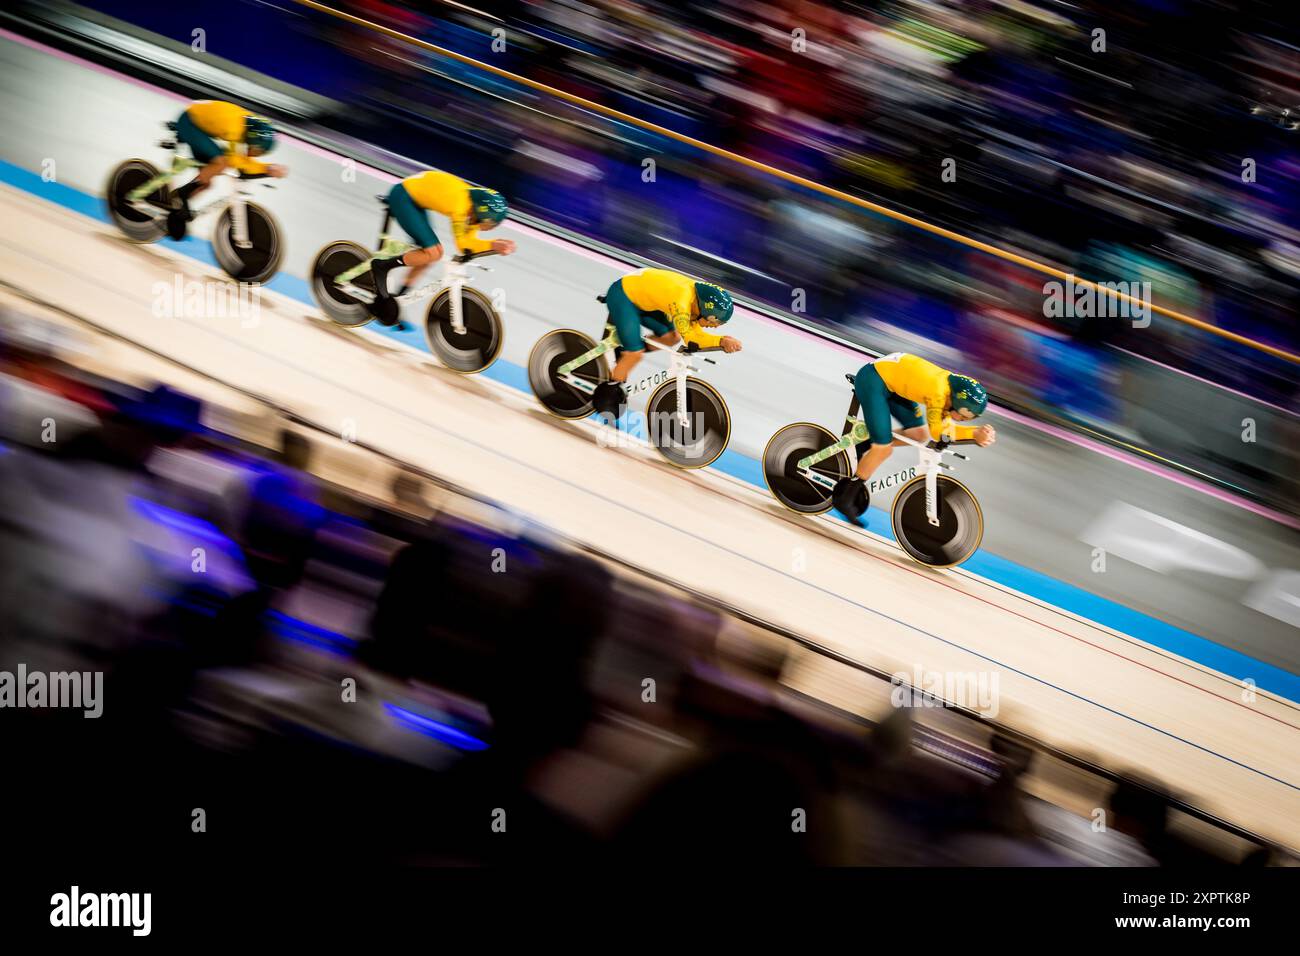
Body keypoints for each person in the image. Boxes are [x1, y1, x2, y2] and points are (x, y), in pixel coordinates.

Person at [833, 352, 996, 524]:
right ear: (958, 402)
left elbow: (941, 427)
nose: (965, 420)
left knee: (919, 434)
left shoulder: (950, 391)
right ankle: (846, 496)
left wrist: (976, 433)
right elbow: (938, 431)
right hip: (873, 380)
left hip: (890, 381)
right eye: (965, 415)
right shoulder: (938, 392)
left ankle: (865, 445)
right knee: (883, 450)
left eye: (971, 419)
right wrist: (974, 433)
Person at [591, 268, 742, 420]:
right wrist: (722, 341)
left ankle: (624, 353)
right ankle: (609, 391)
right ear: (704, 308)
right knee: (635, 354)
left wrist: (722, 341)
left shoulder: (696, 300)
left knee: (672, 337)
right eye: (715, 320)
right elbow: (692, 339)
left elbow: (696, 335)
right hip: (623, 296)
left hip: (641, 297)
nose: (715, 326)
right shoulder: (681, 301)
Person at [369, 170, 516, 326]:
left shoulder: (472, 209)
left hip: (414, 197)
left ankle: (396, 300)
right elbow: (463, 245)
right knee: (433, 253)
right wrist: (493, 244)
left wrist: (494, 245)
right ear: (480, 211)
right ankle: (381, 266)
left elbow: (469, 243)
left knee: (427, 258)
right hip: (403, 196)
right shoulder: (460, 206)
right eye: (488, 223)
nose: (488, 228)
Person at [170, 101, 286, 234]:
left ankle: (176, 204)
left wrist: (267, 168)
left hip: (199, 125)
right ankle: (181, 194)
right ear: (253, 141)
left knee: (205, 183)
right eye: (258, 151)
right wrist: (268, 169)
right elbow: (238, 163)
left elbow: (242, 160)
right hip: (189, 123)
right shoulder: (235, 129)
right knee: (221, 163)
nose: (257, 155)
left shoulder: (249, 125)